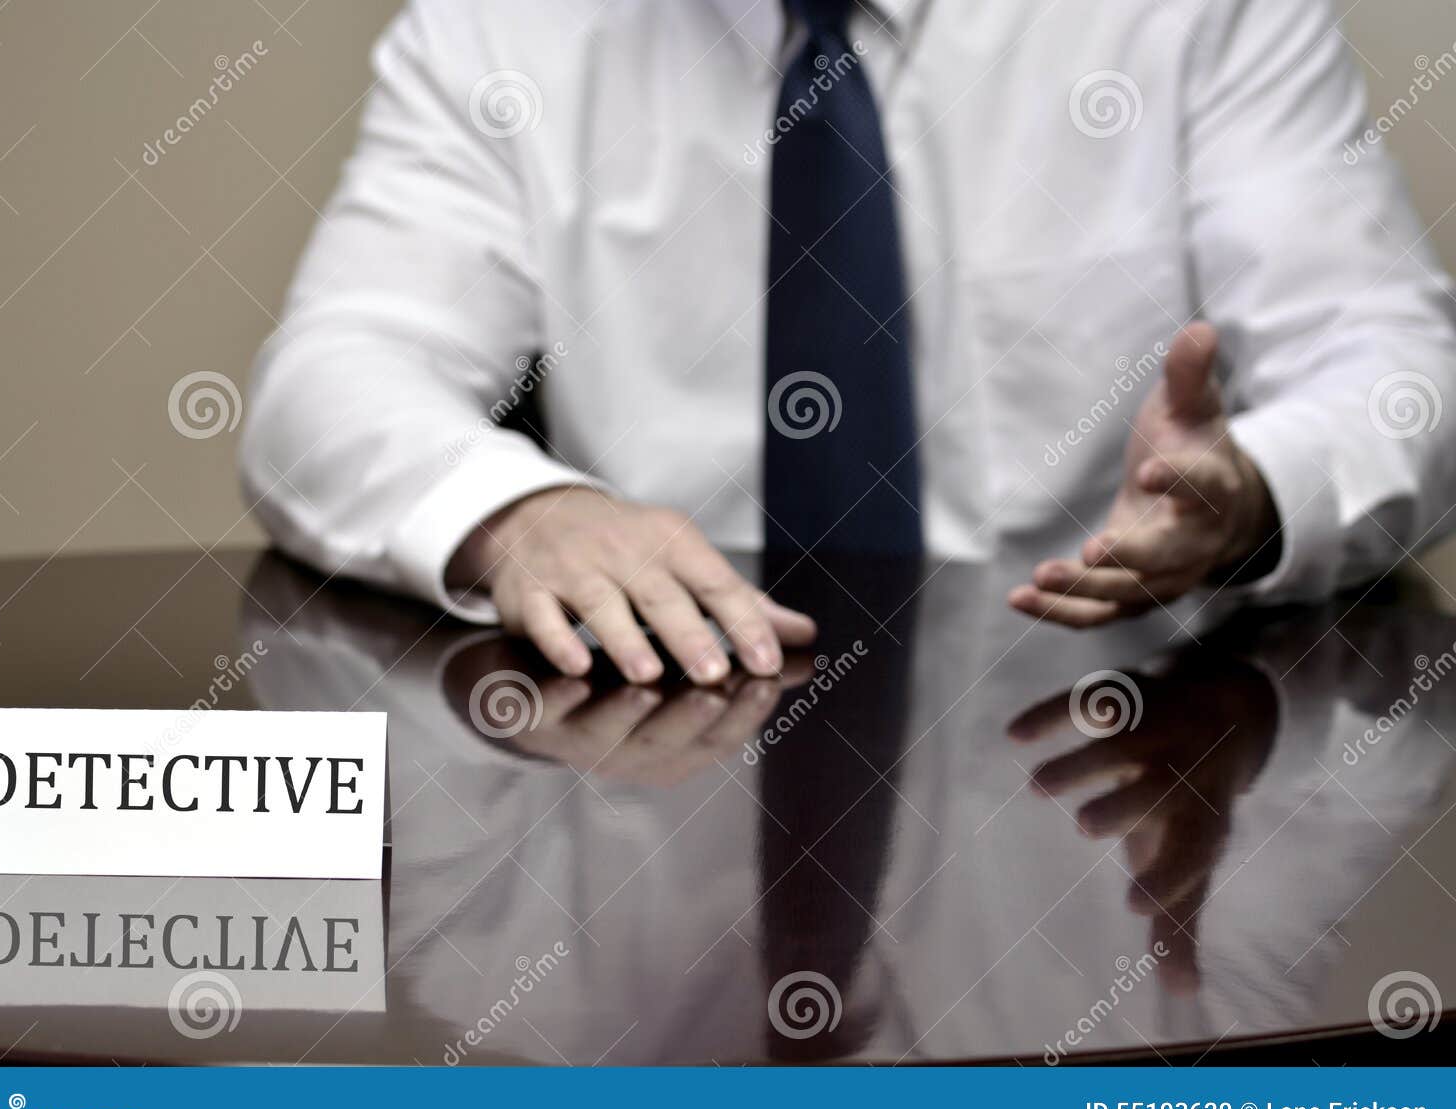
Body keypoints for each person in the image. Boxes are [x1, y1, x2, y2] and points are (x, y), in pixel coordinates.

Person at [240, 0, 1456, 686]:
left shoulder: (1204, 16)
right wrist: (524, 515)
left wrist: (1252, 491)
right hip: (670, 732)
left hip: (1103, 738)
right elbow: (332, 380)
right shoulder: (495, 36)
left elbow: (1396, 366)